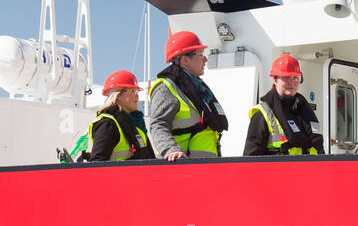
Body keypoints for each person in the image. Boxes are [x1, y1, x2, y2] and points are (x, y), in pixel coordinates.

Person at [147, 31, 228, 161]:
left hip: (207, 168)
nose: (205, 59)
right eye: (201, 55)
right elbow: (158, 124)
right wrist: (171, 150)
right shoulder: (166, 87)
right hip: (185, 170)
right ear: (185, 60)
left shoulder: (197, 88)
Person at [244, 54, 323, 156]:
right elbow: (250, 159)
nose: (292, 82)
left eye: (295, 78)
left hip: (308, 171)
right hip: (277, 172)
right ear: (275, 80)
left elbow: (318, 147)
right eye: (286, 77)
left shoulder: (303, 111)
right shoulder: (262, 114)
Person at [87, 70, 153, 161]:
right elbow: (97, 163)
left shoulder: (136, 124)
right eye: (133, 91)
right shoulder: (108, 124)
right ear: (118, 95)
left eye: (137, 92)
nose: (137, 96)